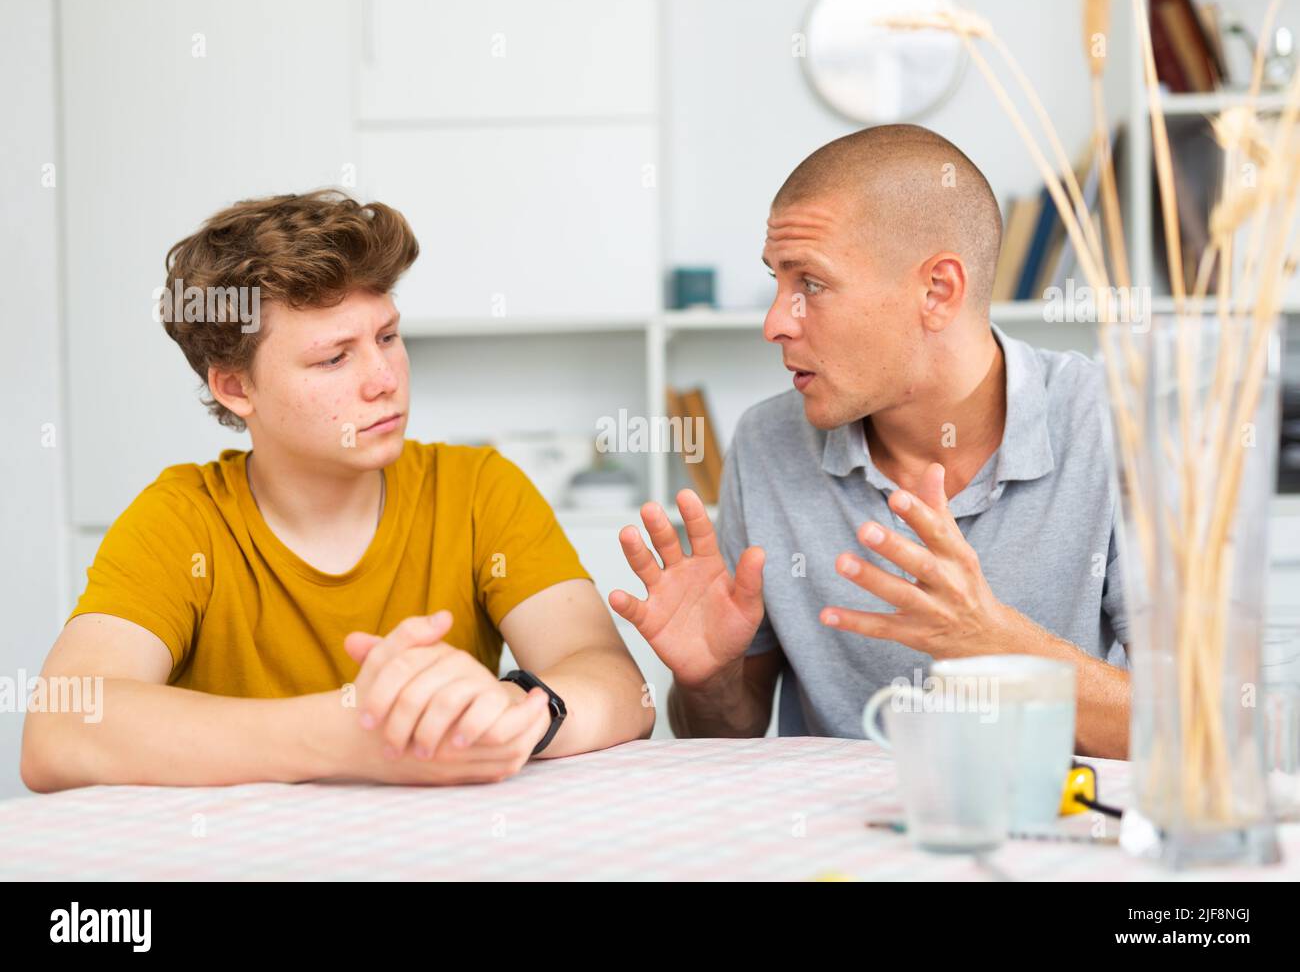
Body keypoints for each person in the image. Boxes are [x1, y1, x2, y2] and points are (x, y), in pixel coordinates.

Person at [21, 190, 653, 792]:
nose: (385, 379)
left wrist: (517, 711)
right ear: (237, 388)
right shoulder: (182, 518)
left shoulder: (479, 488)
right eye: (333, 358)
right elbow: (60, 728)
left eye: (387, 336)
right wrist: (348, 732)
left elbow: (621, 687)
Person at [610, 125, 1130, 759]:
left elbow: (1194, 728)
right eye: (777, 280)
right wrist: (709, 678)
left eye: (812, 285)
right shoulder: (768, 443)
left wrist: (988, 641)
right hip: (834, 846)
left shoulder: (1115, 427)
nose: (775, 322)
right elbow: (728, 737)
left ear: (938, 292)